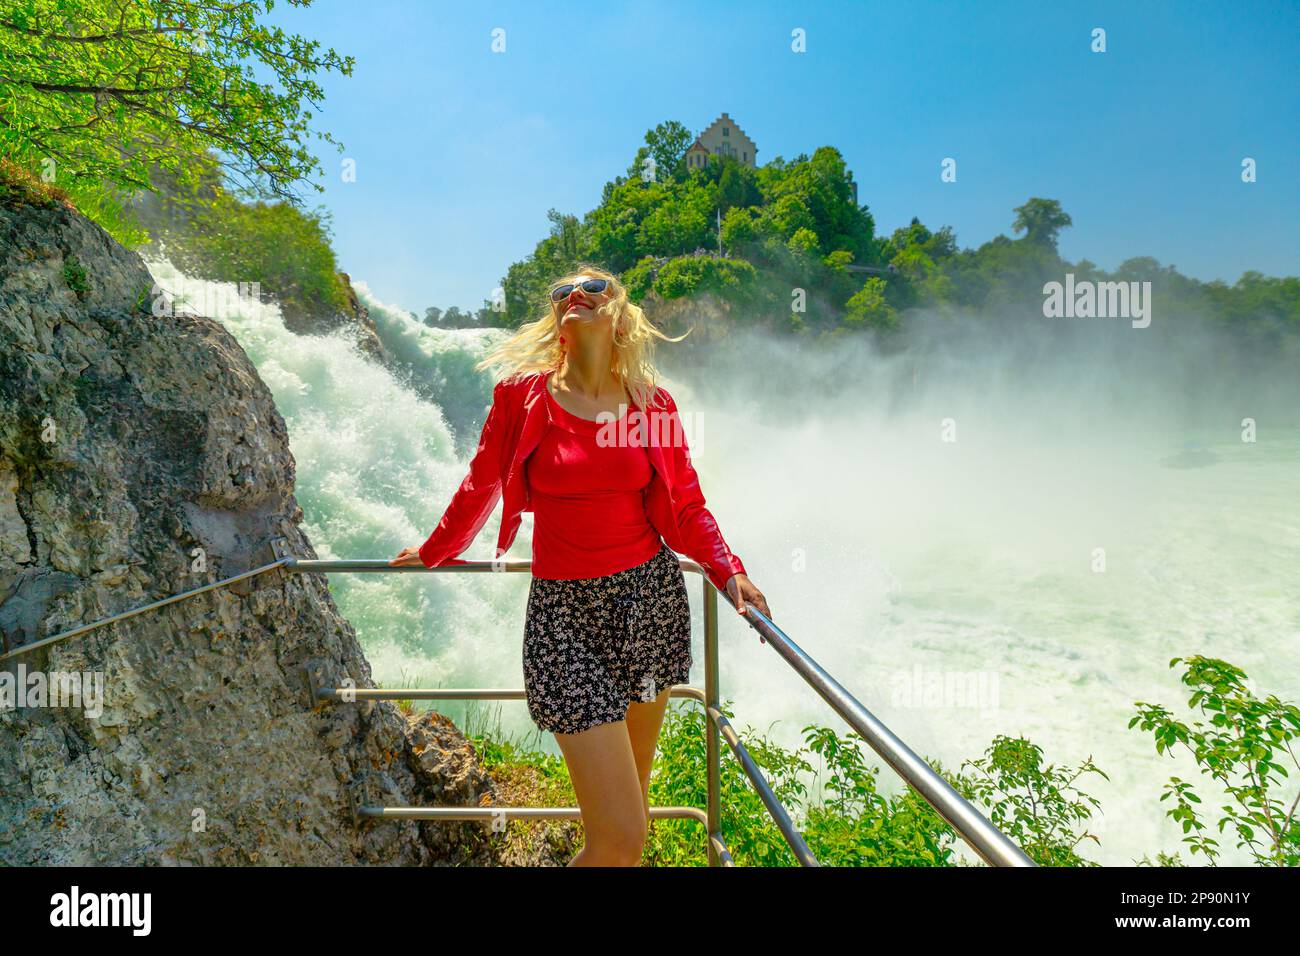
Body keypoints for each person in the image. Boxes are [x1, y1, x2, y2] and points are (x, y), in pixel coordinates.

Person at [390, 264, 769, 866]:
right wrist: (437, 550)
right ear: (557, 317)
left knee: (630, 821)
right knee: (621, 834)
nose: (577, 296)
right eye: (564, 291)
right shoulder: (522, 396)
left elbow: (686, 503)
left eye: (594, 288)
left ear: (618, 312)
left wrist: (729, 570)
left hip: (648, 607)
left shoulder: (651, 405)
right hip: (562, 620)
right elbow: (482, 482)